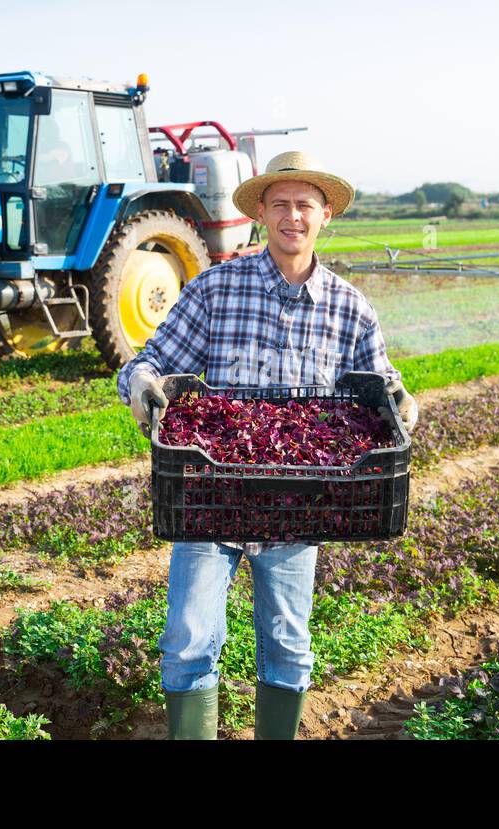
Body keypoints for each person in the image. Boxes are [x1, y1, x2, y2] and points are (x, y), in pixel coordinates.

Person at [115, 150, 419, 740]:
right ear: (261, 213)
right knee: (187, 642)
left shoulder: (350, 309)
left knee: (287, 645)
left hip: (297, 505)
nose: (292, 216)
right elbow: (151, 360)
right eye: (279, 204)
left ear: (324, 214)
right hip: (209, 498)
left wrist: (403, 401)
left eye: (304, 204)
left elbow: (382, 387)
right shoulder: (214, 290)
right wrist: (143, 383)